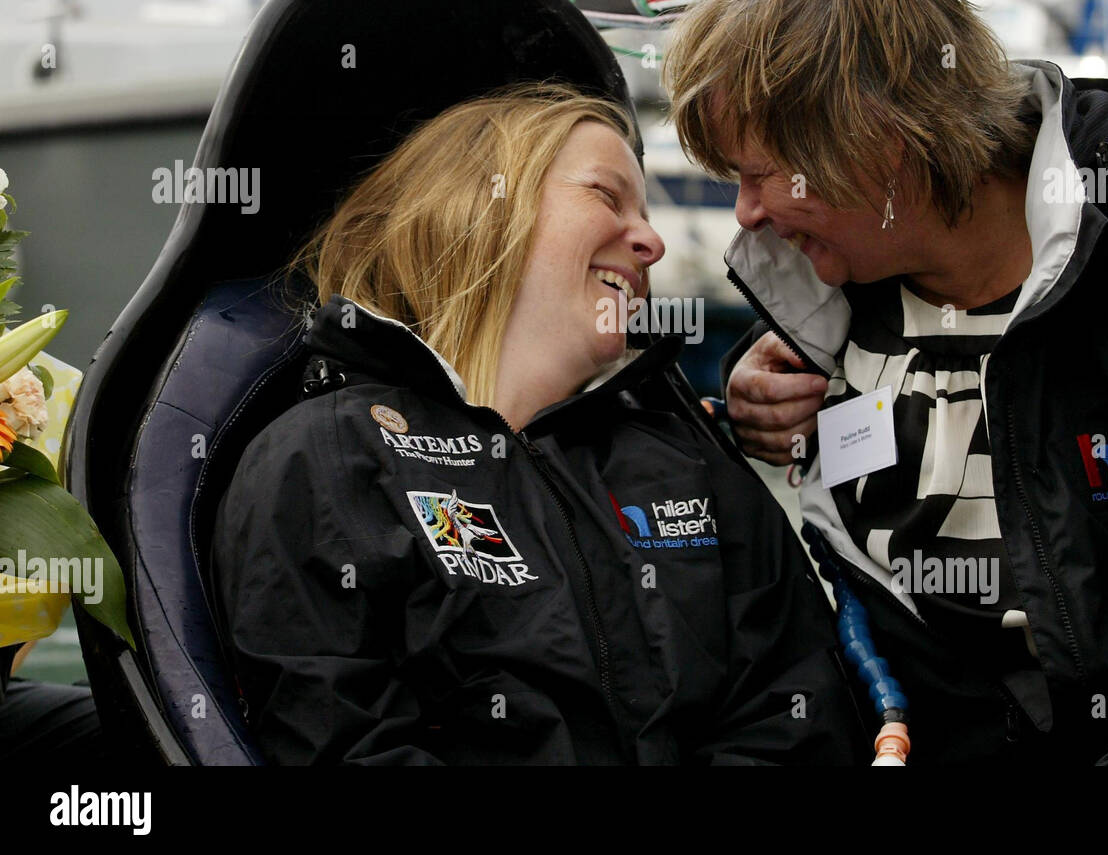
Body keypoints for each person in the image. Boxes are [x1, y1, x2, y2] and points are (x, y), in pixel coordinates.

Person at [661, 0, 1108, 765]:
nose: (743, 214)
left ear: (876, 144)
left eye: (762, 173)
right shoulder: (822, 293)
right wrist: (742, 418)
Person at [210, 81, 867, 765]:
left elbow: (798, 712)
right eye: (607, 197)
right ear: (479, 207)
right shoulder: (321, 458)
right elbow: (341, 742)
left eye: (643, 213)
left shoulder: (689, 459)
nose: (651, 241)